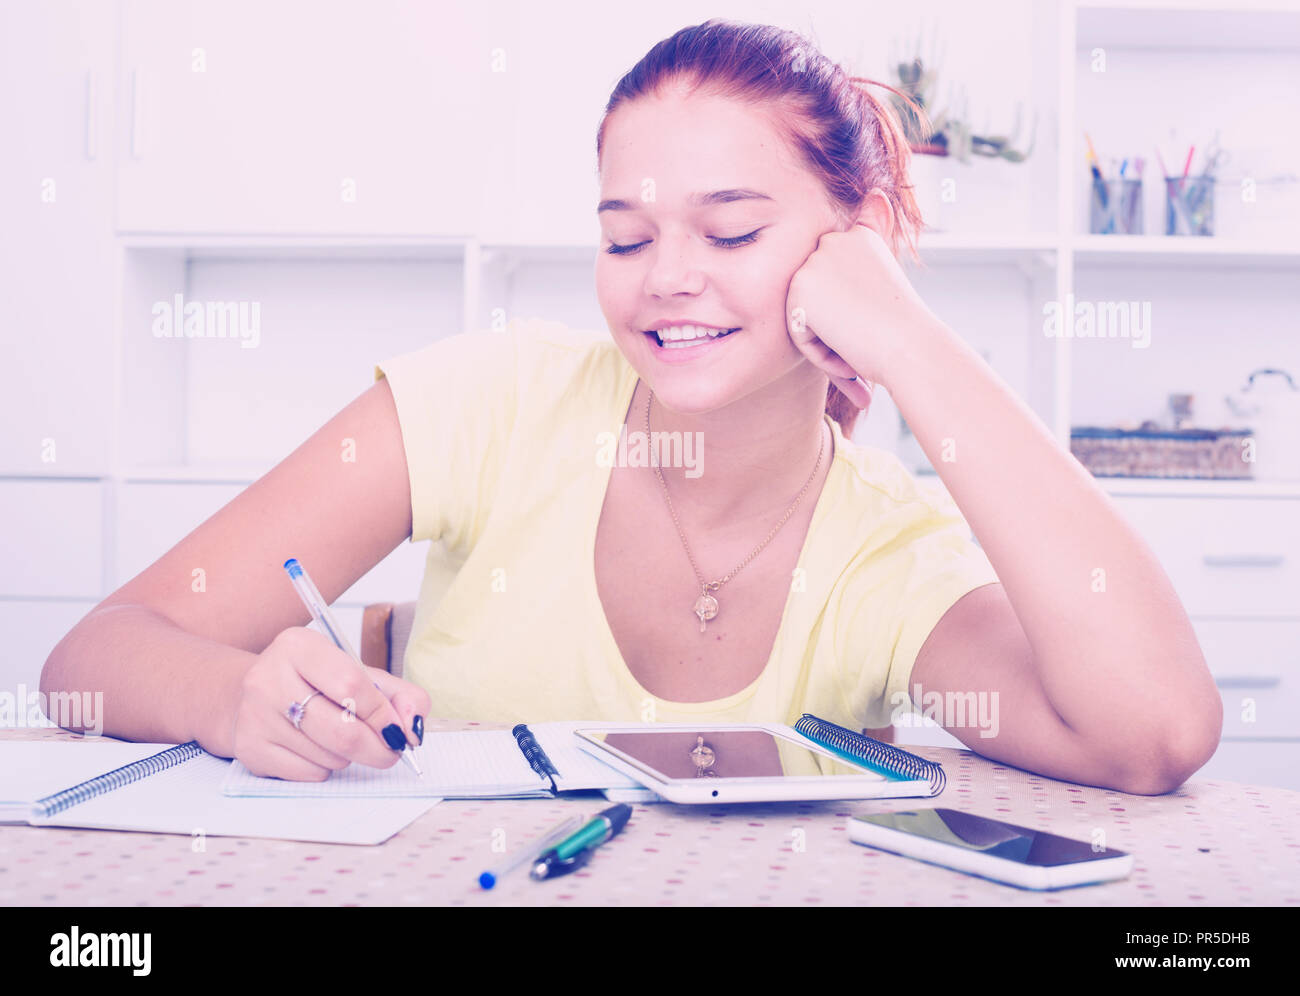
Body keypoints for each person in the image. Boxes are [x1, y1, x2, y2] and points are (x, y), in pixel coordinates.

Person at [42, 19, 1221, 793]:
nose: (666, 278)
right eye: (625, 237)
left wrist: (909, 340)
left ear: (851, 244)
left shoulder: (882, 550)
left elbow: (1155, 733)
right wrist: (233, 697)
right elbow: (93, 656)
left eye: (731, 230)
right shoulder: (490, 404)